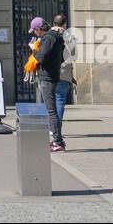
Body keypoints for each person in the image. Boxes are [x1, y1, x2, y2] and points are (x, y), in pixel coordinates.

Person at [33, 19, 66, 151]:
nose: (35, 34)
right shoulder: (57, 37)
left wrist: (33, 50)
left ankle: (58, 142)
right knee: (52, 111)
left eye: (35, 31)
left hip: (47, 78)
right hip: (53, 76)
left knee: (51, 111)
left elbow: (41, 58)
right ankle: (58, 141)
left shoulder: (48, 38)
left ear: (39, 29)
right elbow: (62, 58)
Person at [52, 14, 78, 130]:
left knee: (50, 102)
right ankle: (57, 128)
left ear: (54, 23)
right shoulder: (70, 38)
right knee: (60, 101)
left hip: (50, 73)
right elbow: (74, 57)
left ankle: (52, 127)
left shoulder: (49, 35)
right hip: (65, 73)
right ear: (65, 24)